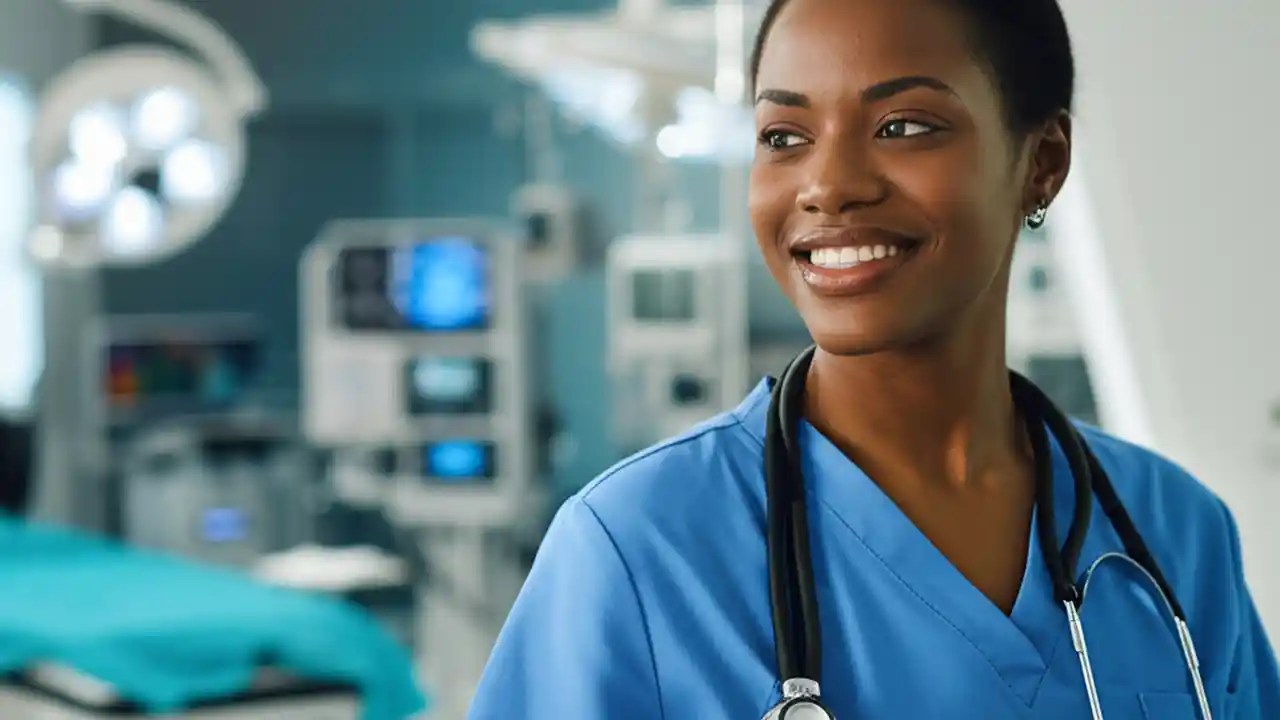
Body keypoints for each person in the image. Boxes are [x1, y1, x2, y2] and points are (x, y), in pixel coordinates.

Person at [468, 0, 1280, 717]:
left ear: (1043, 162)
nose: (828, 185)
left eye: (904, 127)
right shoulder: (638, 550)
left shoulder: (1171, 534)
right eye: (784, 136)